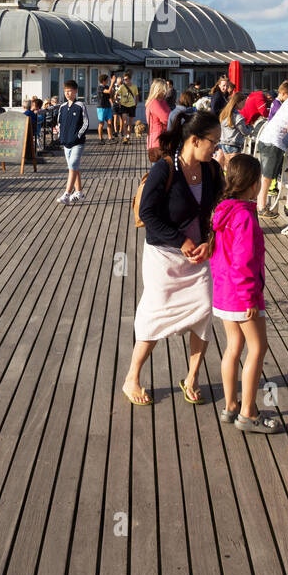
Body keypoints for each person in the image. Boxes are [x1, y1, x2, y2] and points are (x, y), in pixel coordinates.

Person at [122, 110, 224, 406]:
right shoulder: (165, 169)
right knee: (156, 313)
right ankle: (133, 376)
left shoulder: (212, 171)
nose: (217, 147)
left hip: (198, 257)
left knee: (204, 311)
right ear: (194, 140)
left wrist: (209, 241)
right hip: (164, 256)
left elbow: (218, 210)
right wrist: (181, 240)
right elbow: (147, 214)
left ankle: (192, 377)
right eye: (213, 141)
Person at [210, 153, 278, 432]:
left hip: (224, 291)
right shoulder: (245, 217)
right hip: (242, 294)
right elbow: (244, 260)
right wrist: (250, 297)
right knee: (258, 347)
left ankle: (230, 405)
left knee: (233, 346)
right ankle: (249, 413)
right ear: (252, 185)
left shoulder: (223, 210)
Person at [254, 83, 288, 216]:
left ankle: (260, 204)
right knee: (267, 177)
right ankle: (261, 207)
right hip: (274, 142)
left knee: (264, 176)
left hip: (266, 137)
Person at [57, 79, 89, 204]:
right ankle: (79, 193)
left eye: (70, 91)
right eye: (65, 91)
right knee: (74, 168)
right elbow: (59, 123)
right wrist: (61, 135)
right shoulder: (62, 107)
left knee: (72, 166)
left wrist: (78, 136)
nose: (67, 93)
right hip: (66, 143)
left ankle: (66, 194)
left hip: (78, 143)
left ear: (75, 91)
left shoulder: (80, 105)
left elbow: (86, 123)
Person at [145, 78, 171, 164]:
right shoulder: (155, 102)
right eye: (163, 89)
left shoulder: (160, 101)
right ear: (158, 89)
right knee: (160, 168)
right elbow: (166, 118)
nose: (165, 91)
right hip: (158, 140)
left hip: (158, 138)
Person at [217, 91, 247, 165]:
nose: (245, 105)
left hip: (224, 143)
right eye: (243, 103)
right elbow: (244, 132)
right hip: (234, 144)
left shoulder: (225, 113)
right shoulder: (238, 117)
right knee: (235, 168)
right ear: (238, 102)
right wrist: (251, 128)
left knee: (228, 167)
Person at [115, 72, 139, 142]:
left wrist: (136, 104)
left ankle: (128, 136)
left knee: (130, 123)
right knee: (125, 122)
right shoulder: (122, 86)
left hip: (132, 105)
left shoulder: (134, 87)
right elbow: (116, 95)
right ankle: (125, 137)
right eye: (124, 79)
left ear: (130, 79)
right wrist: (118, 102)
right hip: (123, 106)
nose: (125, 81)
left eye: (126, 79)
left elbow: (137, 95)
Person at [95, 73, 115, 142]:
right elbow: (108, 91)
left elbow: (109, 95)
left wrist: (112, 103)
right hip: (101, 107)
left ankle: (110, 138)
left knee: (109, 122)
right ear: (103, 81)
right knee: (101, 123)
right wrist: (112, 82)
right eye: (107, 80)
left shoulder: (107, 86)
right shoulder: (100, 87)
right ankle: (101, 139)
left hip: (108, 107)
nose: (108, 81)